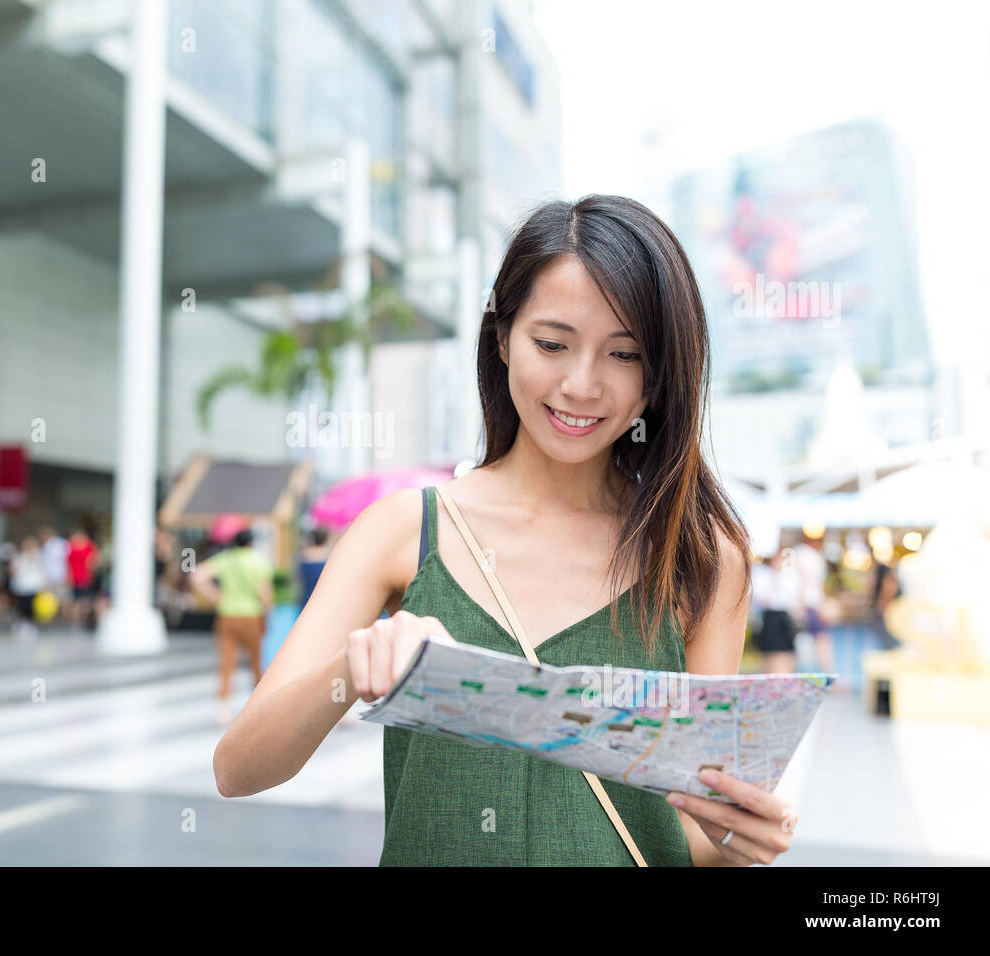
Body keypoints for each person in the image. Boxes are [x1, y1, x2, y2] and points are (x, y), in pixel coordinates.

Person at [214, 196, 800, 867]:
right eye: (551, 344)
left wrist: (734, 841)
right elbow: (239, 768)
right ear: (502, 337)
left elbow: (686, 833)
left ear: (661, 373)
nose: (581, 385)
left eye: (625, 354)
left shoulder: (698, 558)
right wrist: (354, 668)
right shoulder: (403, 531)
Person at [192, 526, 274, 726]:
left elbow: (196, 576)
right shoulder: (258, 561)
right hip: (252, 617)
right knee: (256, 664)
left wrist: (216, 597)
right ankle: (258, 707)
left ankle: (223, 711)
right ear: (251, 543)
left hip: (227, 616)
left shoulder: (225, 559)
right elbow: (265, 594)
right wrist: (268, 611)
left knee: (227, 664)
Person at [751, 550, 801, 674]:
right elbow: (763, 600)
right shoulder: (762, 574)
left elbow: (793, 600)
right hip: (770, 617)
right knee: (771, 654)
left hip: (785, 618)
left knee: (787, 655)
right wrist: (775, 578)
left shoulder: (790, 575)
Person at [792, 533, 834, 676]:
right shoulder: (808, 555)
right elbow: (806, 581)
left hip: (806, 604)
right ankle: (827, 674)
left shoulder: (798, 554)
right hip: (808, 605)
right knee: (820, 640)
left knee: (807, 642)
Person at [8, 536, 48, 639]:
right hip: (21, 586)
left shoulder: (40, 557)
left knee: (32, 606)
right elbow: (13, 570)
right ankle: (22, 624)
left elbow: (43, 572)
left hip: (34, 586)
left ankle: (30, 624)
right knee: (22, 605)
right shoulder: (19, 557)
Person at [65, 529, 99, 627]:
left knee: (76, 600)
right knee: (85, 600)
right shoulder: (88, 546)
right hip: (84, 576)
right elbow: (92, 562)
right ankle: (82, 620)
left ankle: (76, 621)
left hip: (77, 577)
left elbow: (68, 563)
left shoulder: (71, 546)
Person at [38, 526, 70, 620]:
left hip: (60, 576)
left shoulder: (60, 544)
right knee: (52, 599)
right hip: (50, 578)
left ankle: (64, 618)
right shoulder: (46, 546)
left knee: (63, 599)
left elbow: (67, 560)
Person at [297, 526, 331, 611]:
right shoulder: (329, 555)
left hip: (306, 596)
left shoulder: (304, 555)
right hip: (323, 597)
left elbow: (298, 579)